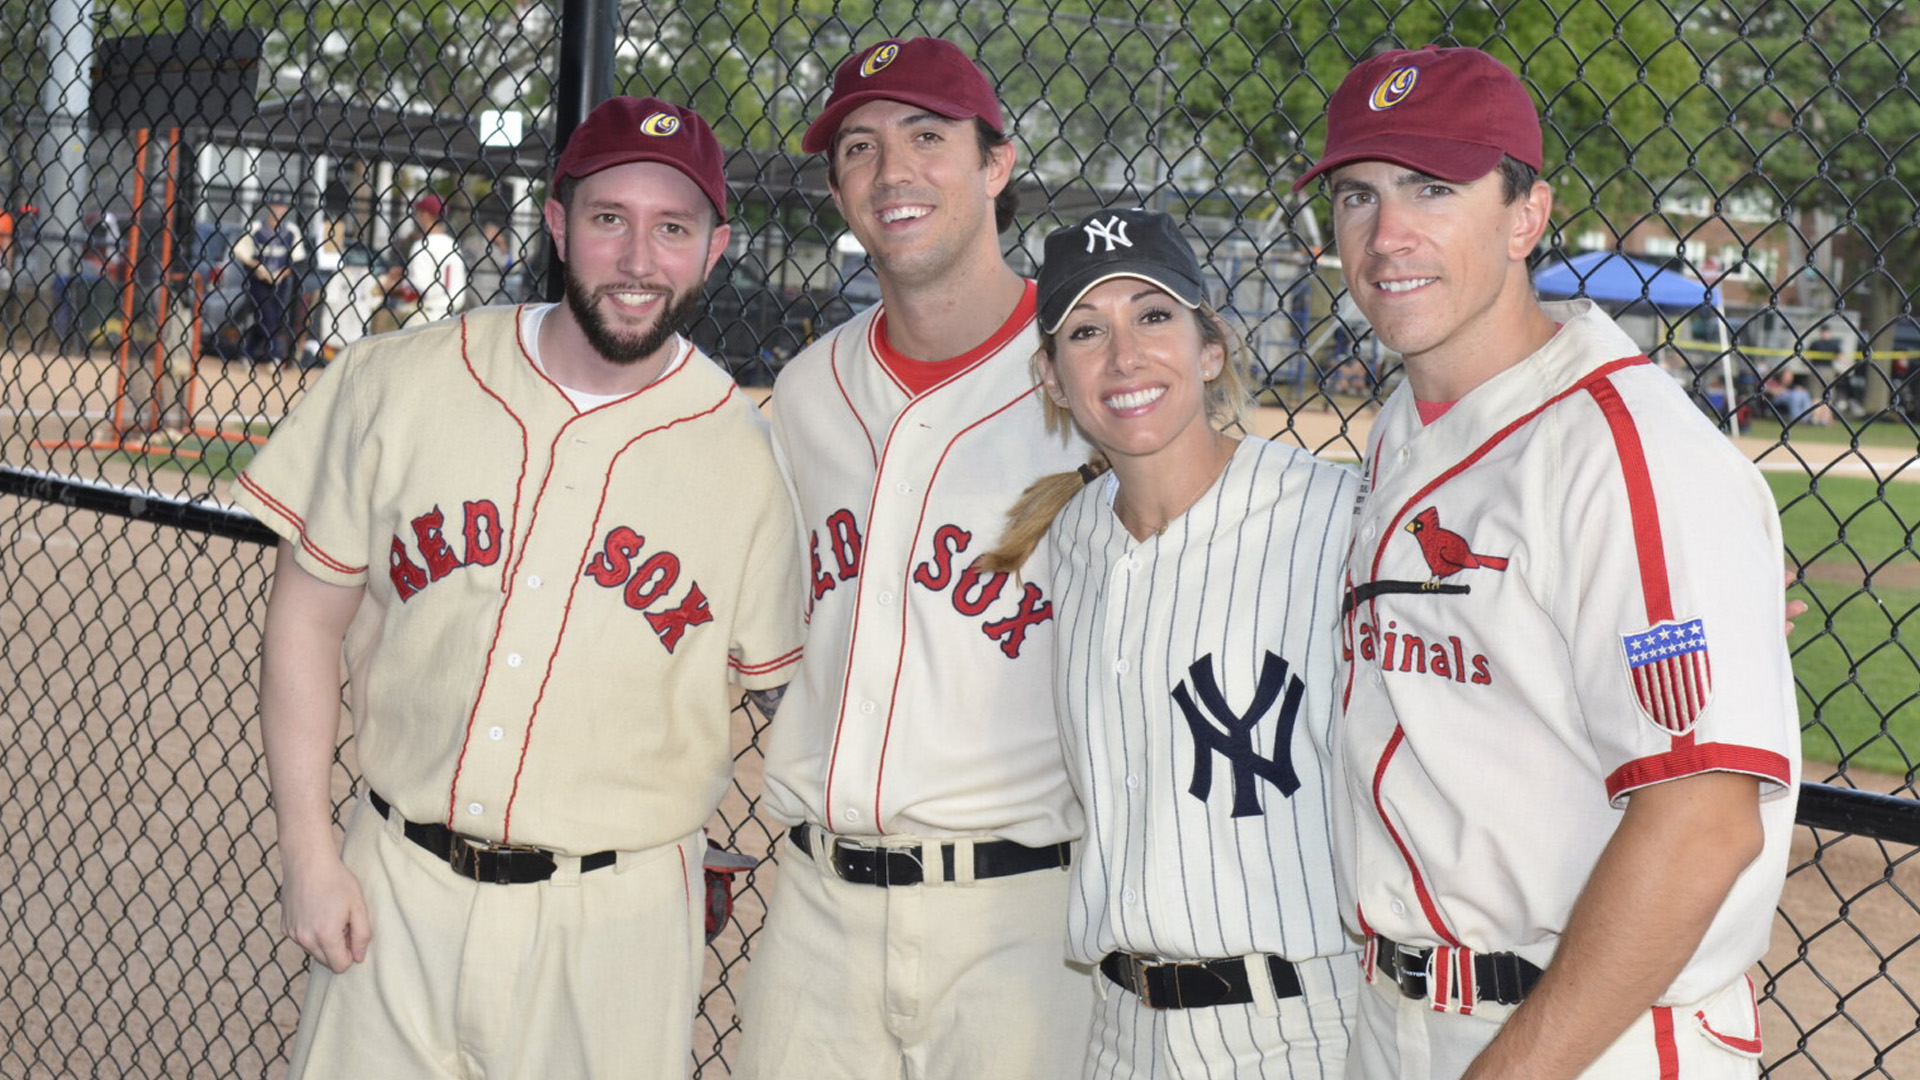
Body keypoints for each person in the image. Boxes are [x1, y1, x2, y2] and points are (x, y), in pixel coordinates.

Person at [229, 95, 804, 1079]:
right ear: (556, 224)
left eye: (673, 228)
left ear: (715, 250)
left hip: (615, 929)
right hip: (395, 886)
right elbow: (303, 620)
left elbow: (787, 688)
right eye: (608, 218)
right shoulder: (400, 380)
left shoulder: (751, 460)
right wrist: (309, 856)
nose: (636, 258)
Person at [1292, 46, 1800, 1079]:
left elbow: (1701, 827)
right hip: (1401, 1015)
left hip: (1589, 1038)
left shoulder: (1625, 451)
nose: (1387, 236)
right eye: (1357, 196)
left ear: (1527, 216)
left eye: (1433, 188)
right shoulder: (1407, 424)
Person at [735, 36, 1096, 1078]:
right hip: (815, 917)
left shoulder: (1098, 375)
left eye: (927, 137)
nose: (892, 172)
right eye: (858, 147)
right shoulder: (805, 394)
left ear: (997, 164)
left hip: (1027, 923)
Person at [982, 207, 1362, 1076]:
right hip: (1119, 1028)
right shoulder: (1069, 541)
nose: (1124, 358)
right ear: (1049, 376)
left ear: (1210, 347)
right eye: (1086, 331)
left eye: (1154, 316)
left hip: (1296, 1027)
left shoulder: (1335, 519)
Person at [232, 197, 306, 363]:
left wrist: (282, 273)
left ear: (286, 210)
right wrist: (256, 266)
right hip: (259, 281)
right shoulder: (257, 228)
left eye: (281, 207)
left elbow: (297, 259)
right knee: (268, 315)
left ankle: (248, 352)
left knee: (272, 317)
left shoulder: (291, 230)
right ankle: (275, 356)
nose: (278, 210)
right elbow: (240, 250)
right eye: (275, 206)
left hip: (280, 281)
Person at [403, 192, 466, 325]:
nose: (417, 216)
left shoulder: (422, 245)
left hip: (424, 316)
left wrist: (394, 288)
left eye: (419, 212)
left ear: (425, 215)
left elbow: (416, 292)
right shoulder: (452, 244)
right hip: (450, 317)